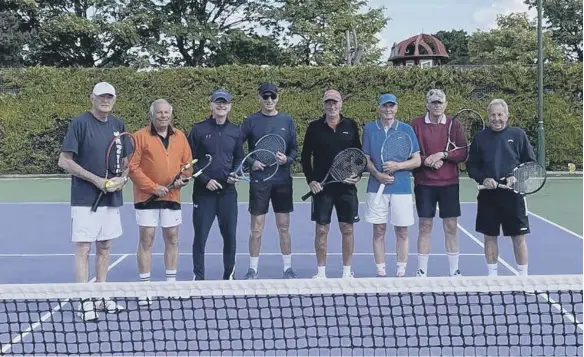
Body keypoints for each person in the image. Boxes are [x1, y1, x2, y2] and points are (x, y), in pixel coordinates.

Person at [58, 81, 126, 320]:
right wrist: (96, 180)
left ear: (114, 100)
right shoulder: (79, 123)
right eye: (101, 96)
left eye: (109, 97)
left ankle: (101, 294)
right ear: (92, 98)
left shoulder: (118, 125)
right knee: (84, 248)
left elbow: (126, 162)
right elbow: (64, 161)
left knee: (105, 247)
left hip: (111, 198)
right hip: (85, 199)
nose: (105, 100)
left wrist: (122, 179)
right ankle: (85, 300)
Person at [128, 99, 193, 293]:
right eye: (159, 112)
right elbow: (133, 167)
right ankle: (145, 288)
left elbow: (187, 164)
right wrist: (153, 188)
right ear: (152, 115)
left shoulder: (180, 136)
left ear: (171, 114)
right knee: (147, 239)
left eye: (166, 112)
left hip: (172, 197)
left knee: (172, 238)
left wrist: (183, 179)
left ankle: (170, 285)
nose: (163, 116)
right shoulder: (139, 136)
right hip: (146, 198)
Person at [466, 98, 536, 277]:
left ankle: (523, 277)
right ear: (488, 117)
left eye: (500, 115)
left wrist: (516, 177)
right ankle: (492, 277)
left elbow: (530, 164)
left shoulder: (518, 135)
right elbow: (471, 167)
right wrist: (484, 179)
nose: (496, 119)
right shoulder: (480, 138)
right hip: (488, 196)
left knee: (518, 238)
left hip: (513, 195)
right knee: (489, 236)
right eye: (493, 115)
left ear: (507, 115)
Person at [300, 89, 361, 279]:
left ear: (341, 104)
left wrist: (356, 175)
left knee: (347, 229)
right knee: (321, 229)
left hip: (346, 187)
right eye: (328, 102)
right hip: (322, 188)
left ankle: (347, 272)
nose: (332, 106)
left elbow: (358, 155)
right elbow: (305, 157)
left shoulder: (351, 125)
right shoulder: (314, 127)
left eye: (335, 102)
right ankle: (321, 273)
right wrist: (311, 181)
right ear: (323, 104)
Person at [241, 83, 299, 280]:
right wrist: (252, 162)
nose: (269, 101)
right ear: (259, 98)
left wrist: (287, 160)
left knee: (284, 227)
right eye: (265, 97)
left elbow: (294, 150)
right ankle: (252, 269)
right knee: (256, 229)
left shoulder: (287, 120)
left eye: (272, 97)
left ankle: (288, 268)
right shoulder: (251, 121)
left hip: (283, 181)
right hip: (259, 181)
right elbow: (237, 148)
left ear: (277, 98)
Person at [362, 93, 421, 277]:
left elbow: (417, 160)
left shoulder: (406, 129)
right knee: (378, 229)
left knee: (402, 230)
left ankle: (401, 269)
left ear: (396, 107)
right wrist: (378, 175)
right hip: (376, 187)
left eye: (392, 106)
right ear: (379, 107)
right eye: (385, 106)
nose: (388, 109)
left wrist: (398, 166)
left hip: (401, 188)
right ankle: (381, 269)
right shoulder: (370, 129)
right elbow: (366, 159)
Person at [188, 89, 244, 281]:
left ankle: (229, 275)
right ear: (211, 105)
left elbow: (239, 157)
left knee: (229, 236)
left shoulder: (236, 131)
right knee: (200, 237)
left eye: (225, 103)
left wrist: (236, 173)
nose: (221, 106)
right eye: (218, 102)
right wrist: (205, 180)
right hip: (203, 194)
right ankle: (198, 277)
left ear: (230, 106)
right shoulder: (198, 129)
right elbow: (189, 161)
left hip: (228, 193)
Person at [411, 89, 466, 277]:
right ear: (427, 104)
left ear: (446, 104)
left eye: (440, 102)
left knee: (450, 227)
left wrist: (444, 155)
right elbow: (411, 153)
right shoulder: (416, 125)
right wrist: (427, 160)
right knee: (425, 226)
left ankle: (454, 271)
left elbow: (463, 152)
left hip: (449, 184)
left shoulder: (454, 124)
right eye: (433, 102)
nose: (437, 105)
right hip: (424, 184)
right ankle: (421, 271)